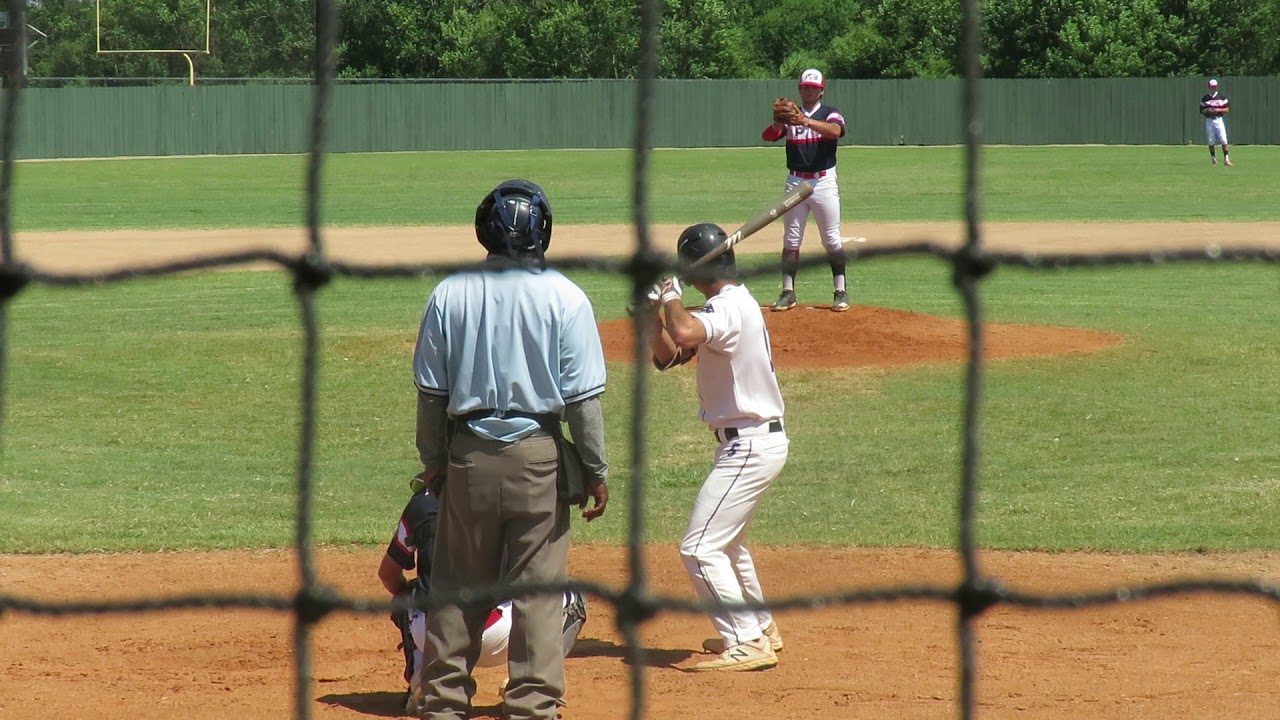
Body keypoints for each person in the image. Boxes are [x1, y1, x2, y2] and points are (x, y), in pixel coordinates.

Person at [410, 178, 609, 720]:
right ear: (544, 232)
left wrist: (435, 462)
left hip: (468, 456)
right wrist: (596, 471)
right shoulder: (566, 297)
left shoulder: (449, 293)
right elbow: (583, 403)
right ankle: (533, 707)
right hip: (539, 459)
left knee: (457, 584)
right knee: (539, 591)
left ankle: (443, 703)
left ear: (484, 231)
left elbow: (431, 395)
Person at [642, 223, 789, 672]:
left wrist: (669, 292)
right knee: (728, 546)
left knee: (700, 548)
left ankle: (745, 641)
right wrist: (650, 314)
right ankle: (760, 627)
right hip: (751, 443)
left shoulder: (729, 307)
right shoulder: (726, 307)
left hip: (749, 445)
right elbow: (670, 355)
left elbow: (685, 332)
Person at [380, 486, 590, 715]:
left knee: (407, 596)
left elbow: (388, 575)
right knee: (572, 595)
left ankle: (423, 683)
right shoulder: (511, 495)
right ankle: (532, 687)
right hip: (498, 635)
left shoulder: (422, 503)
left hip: (435, 636)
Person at [762, 68, 851, 313]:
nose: (810, 91)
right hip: (795, 181)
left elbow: (836, 131)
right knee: (791, 239)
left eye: (814, 88)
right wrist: (778, 122)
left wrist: (806, 122)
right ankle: (788, 292)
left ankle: (840, 291)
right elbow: (768, 136)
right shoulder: (791, 114)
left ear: (821, 91)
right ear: (800, 89)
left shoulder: (830, 113)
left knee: (831, 239)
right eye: (806, 87)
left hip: (823, 181)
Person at [1200, 79, 1232, 167]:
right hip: (1209, 120)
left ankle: (1226, 160)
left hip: (1219, 119)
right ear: (1209, 87)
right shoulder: (1205, 98)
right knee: (1211, 140)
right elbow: (1201, 110)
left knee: (1224, 139)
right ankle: (1213, 160)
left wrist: (1217, 110)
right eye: (1212, 87)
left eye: (1214, 87)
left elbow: (1227, 109)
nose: (1213, 88)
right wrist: (1207, 111)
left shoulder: (1222, 97)